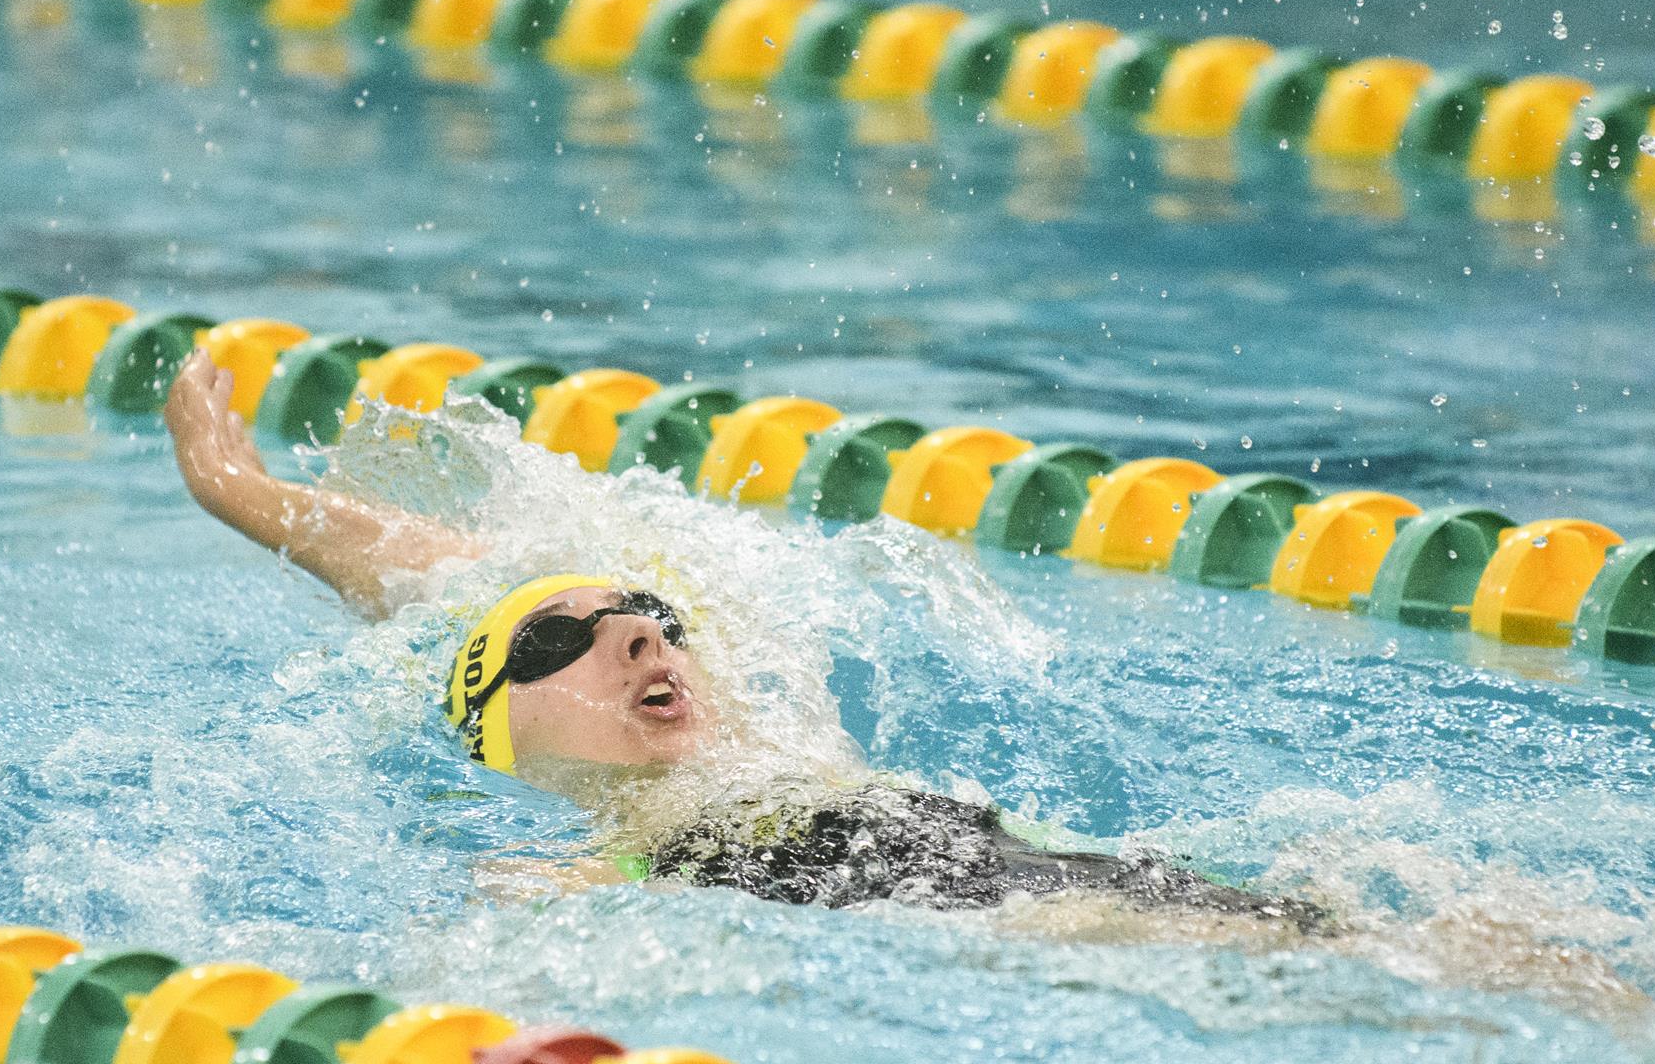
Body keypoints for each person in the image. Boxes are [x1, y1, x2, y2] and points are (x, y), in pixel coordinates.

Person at [162, 350, 1324, 928]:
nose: (636, 633)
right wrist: (233, 492)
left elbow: (474, 578)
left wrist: (246, 491)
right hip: (1006, 925)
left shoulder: (784, 736)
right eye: (561, 641)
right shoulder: (595, 873)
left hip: (1060, 879)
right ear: (499, 735)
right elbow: (450, 589)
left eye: (652, 619)